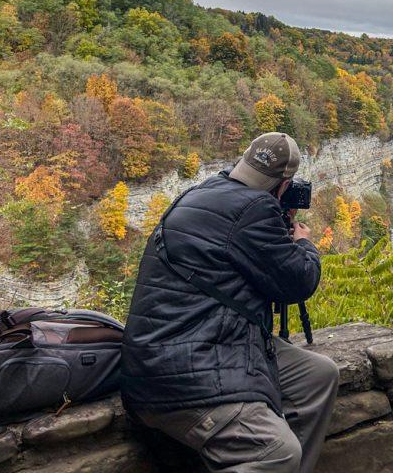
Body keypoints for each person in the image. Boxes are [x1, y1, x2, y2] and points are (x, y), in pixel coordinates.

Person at [121, 132, 339, 473]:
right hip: (183, 372)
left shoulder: (202, 192)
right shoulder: (256, 208)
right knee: (277, 453)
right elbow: (298, 281)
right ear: (283, 186)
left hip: (169, 354)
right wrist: (303, 244)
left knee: (319, 375)